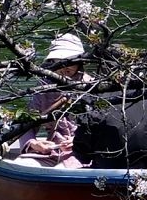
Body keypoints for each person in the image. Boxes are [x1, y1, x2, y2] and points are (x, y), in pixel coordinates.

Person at [15, 33, 95, 168]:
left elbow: (102, 129)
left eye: (71, 62)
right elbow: (27, 123)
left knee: (66, 170)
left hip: (84, 153)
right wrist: (34, 144)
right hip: (53, 151)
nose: (65, 67)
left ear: (80, 62)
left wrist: (80, 141)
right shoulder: (44, 88)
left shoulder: (92, 87)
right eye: (59, 62)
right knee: (22, 164)